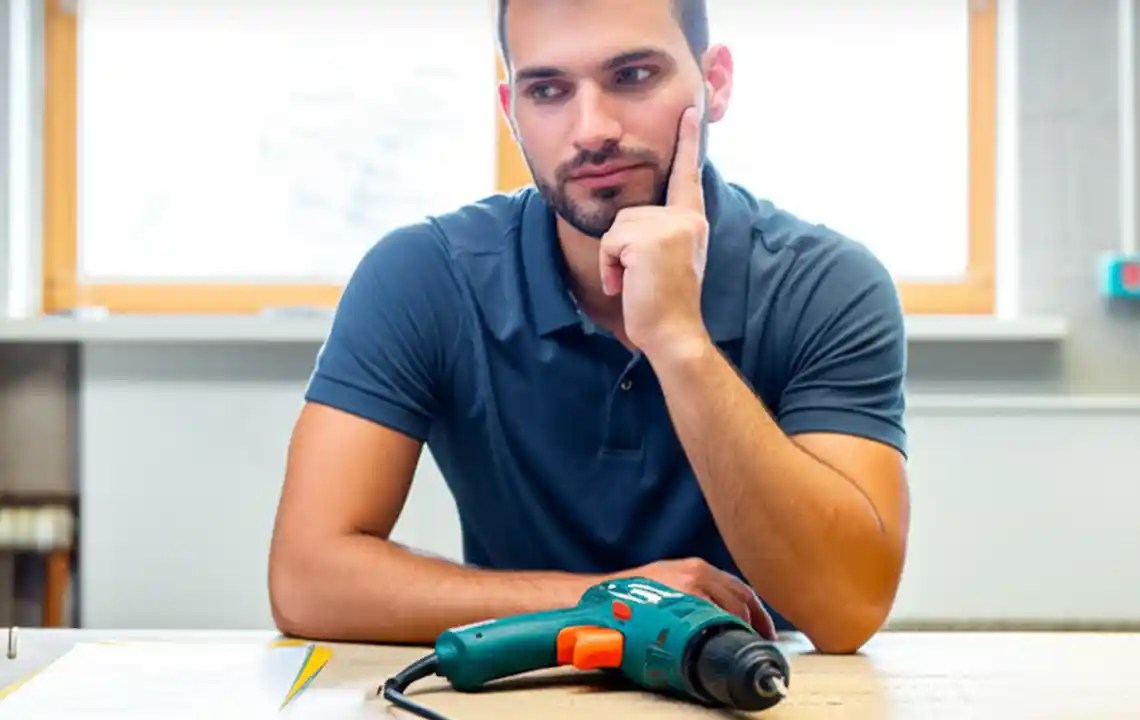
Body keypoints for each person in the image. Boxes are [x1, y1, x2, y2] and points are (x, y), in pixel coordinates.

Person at [268, 0, 909, 655]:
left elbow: (848, 607)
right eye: (547, 91)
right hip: (521, 691)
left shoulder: (827, 284)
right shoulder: (424, 275)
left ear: (714, 82)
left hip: (765, 693)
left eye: (632, 76)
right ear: (510, 110)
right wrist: (611, 602)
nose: (591, 129)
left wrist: (680, 341)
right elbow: (307, 579)